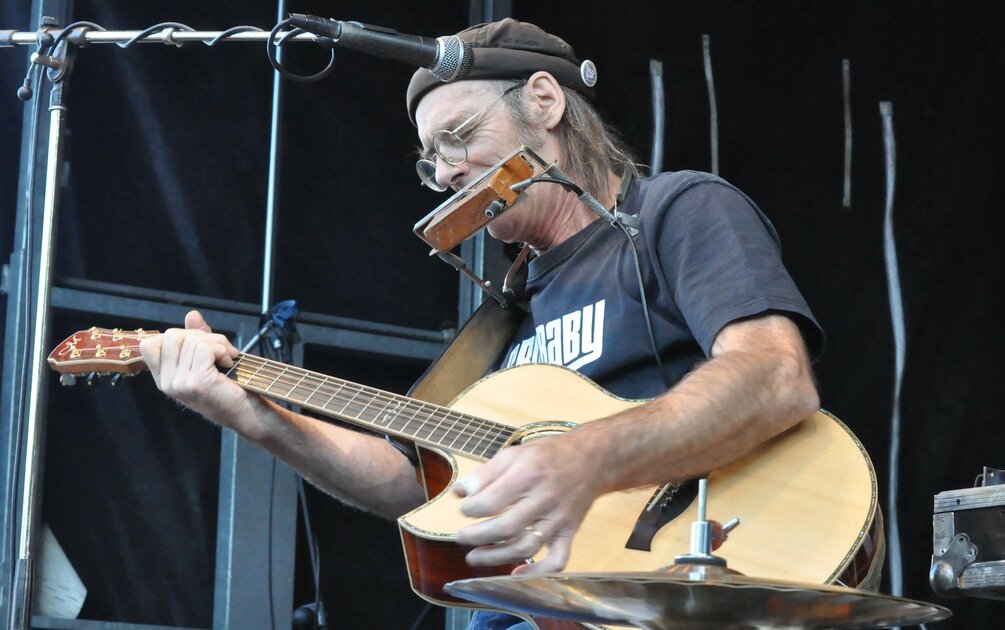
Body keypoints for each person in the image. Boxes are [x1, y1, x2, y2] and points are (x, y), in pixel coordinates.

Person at [140, 18, 824, 629]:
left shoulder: (680, 210)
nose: (445, 172)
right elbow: (412, 479)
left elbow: (775, 375)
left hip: (693, 573)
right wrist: (249, 414)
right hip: (550, 604)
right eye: (431, 159)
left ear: (544, 102)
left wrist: (585, 457)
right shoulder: (501, 316)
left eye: (460, 137)